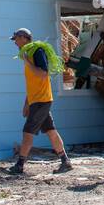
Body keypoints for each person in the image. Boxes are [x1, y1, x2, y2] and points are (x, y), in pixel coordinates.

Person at [7, 28, 72, 175]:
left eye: (16, 39)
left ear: (24, 38)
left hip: (41, 100)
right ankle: (65, 161)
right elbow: (32, 83)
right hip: (38, 100)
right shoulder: (29, 54)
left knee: (27, 132)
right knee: (51, 131)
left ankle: (19, 165)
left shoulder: (37, 52)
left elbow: (43, 73)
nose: (15, 43)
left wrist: (27, 62)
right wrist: (26, 103)